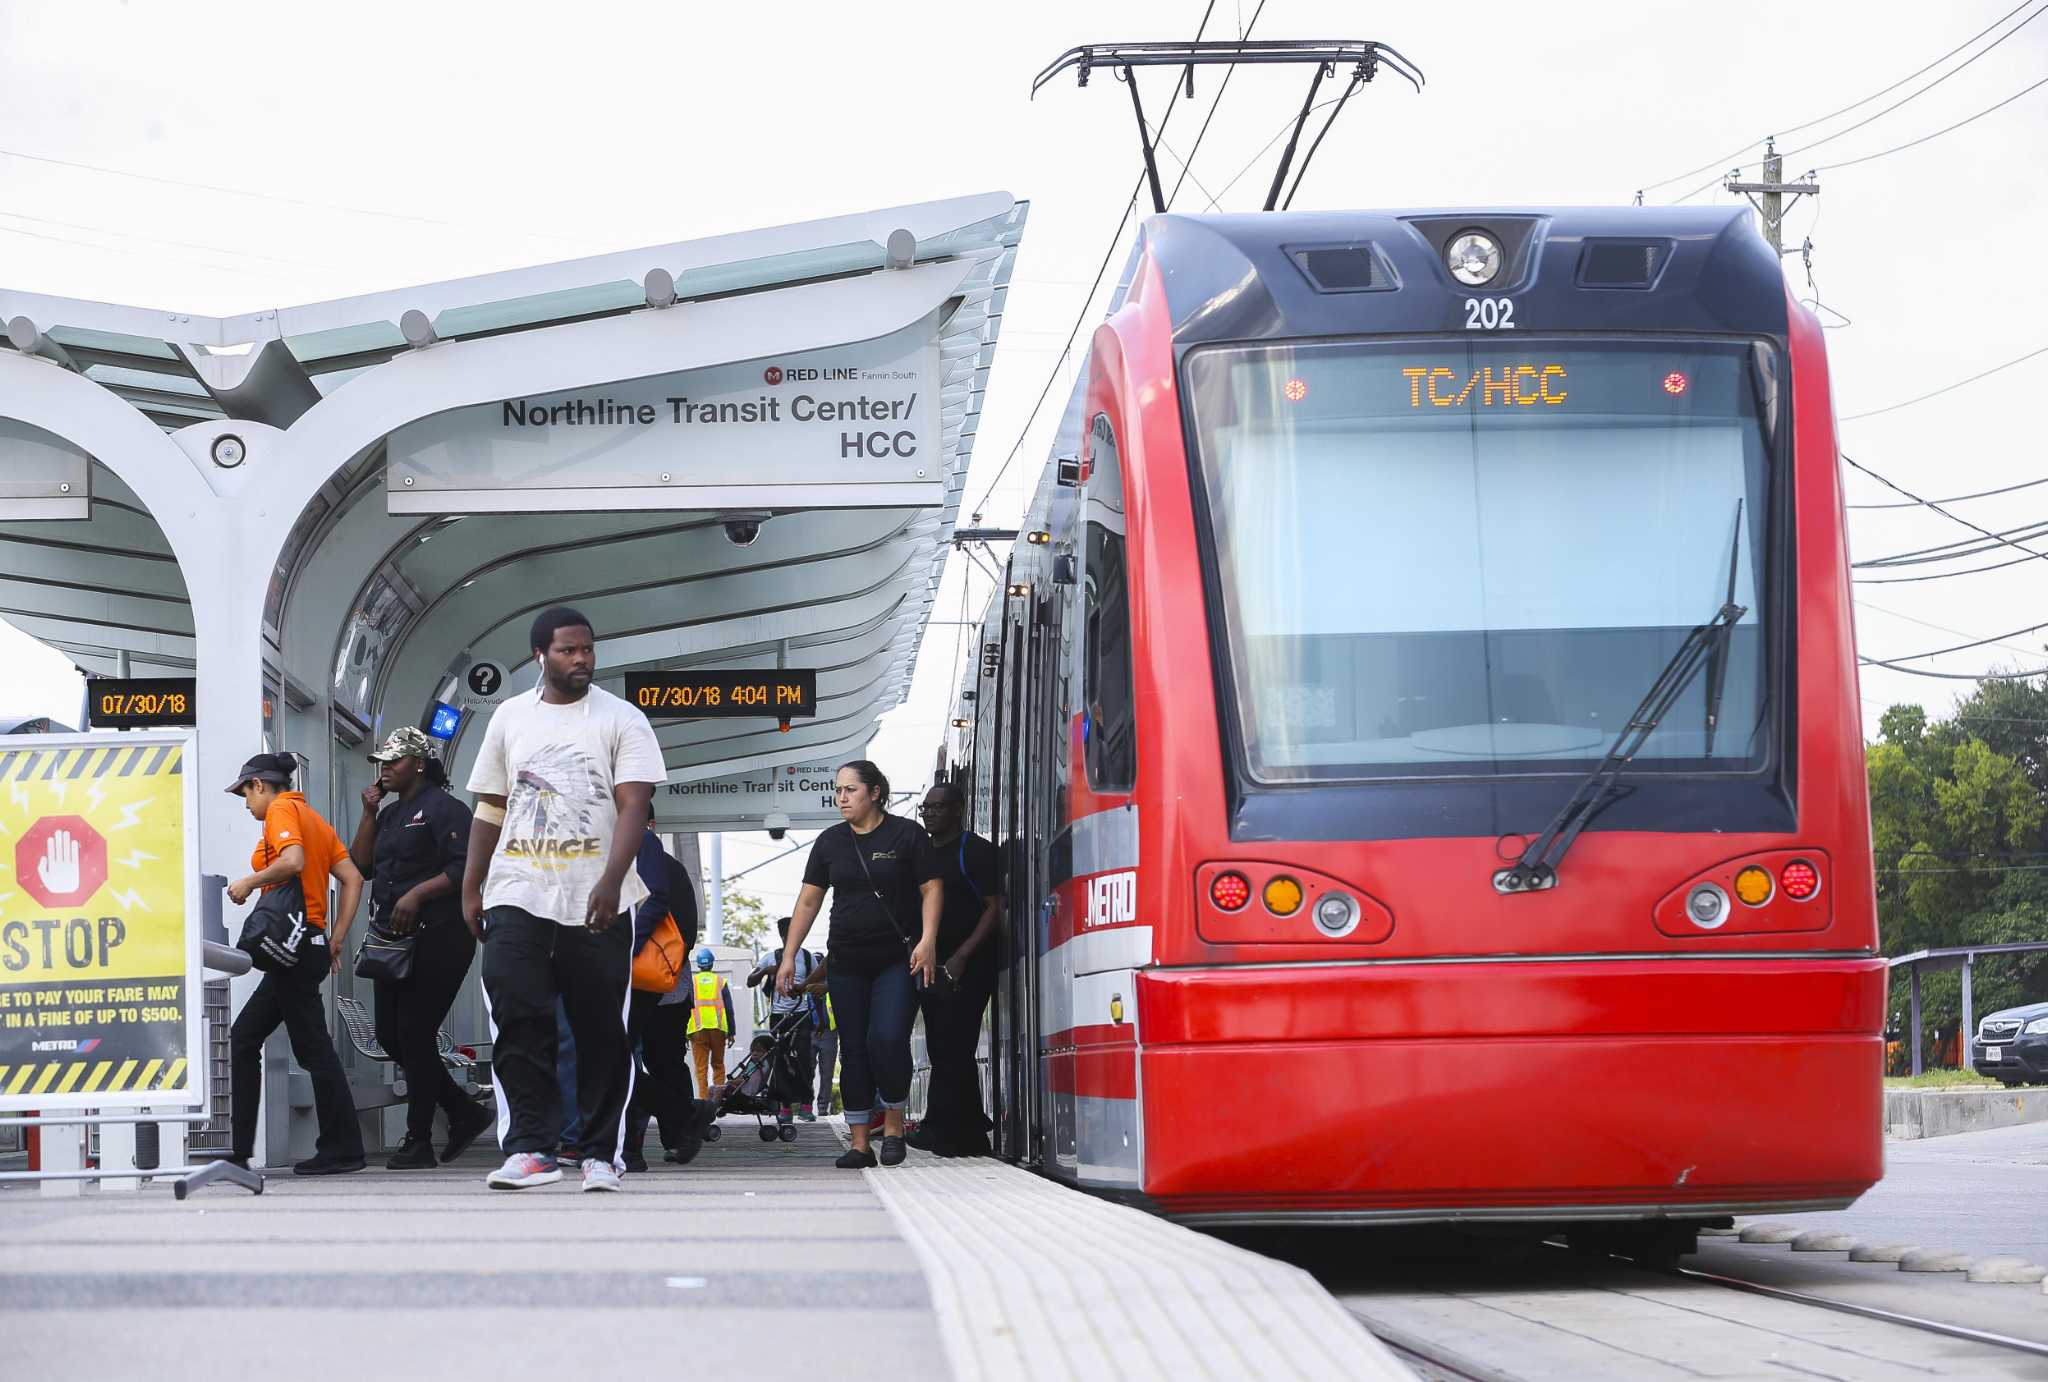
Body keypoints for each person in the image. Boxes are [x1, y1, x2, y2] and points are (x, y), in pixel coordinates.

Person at [462, 606, 667, 1192]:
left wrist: (610, 879)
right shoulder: (509, 718)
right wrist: (473, 885)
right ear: (539, 657)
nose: (581, 659)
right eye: (568, 650)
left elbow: (633, 804)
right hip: (517, 891)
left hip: (595, 899)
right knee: (519, 1020)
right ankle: (531, 1148)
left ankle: (601, 1152)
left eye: (587, 649)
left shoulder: (621, 719)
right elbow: (492, 806)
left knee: (600, 1029)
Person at [779, 760, 941, 1168]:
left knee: (886, 1039)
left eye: (850, 790)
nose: (841, 798)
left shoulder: (907, 835)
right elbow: (809, 901)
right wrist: (788, 957)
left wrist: (928, 941)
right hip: (847, 961)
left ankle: (892, 1126)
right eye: (838, 790)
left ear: (875, 792)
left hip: (896, 960)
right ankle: (859, 1143)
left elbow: (931, 888)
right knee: (853, 1050)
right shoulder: (830, 842)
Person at [346, 726, 494, 1169]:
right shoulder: (390, 814)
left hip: (441, 937)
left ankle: (418, 1140)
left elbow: (466, 866)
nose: (384, 769)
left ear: (419, 765)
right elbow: (361, 864)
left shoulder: (445, 810)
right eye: (382, 763)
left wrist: (417, 894)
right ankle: (463, 1110)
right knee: (392, 1035)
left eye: (393, 761)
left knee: (415, 1033)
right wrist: (369, 813)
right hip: (394, 941)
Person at [225, 752, 368, 1175]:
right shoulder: (315, 819)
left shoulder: (282, 810)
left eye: (245, 794)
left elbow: (293, 863)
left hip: (293, 948)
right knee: (245, 1037)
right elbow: (353, 878)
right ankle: (238, 1151)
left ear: (260, 786)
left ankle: (343, 1149)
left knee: (313, 1049)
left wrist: (248, 883)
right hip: (308, 945)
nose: (246, 804)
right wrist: (336, 936)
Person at [910, 782, 1002, 1157]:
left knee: (955, 1043)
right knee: (942, 1046)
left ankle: (948, 1131)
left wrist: (963, 955)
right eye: (925, 808)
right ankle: (966, 1129)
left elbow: (994, 908)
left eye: (938, 807)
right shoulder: (921, 854)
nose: (930, 813)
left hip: (969, 965)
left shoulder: (976, 851)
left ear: (959, 809)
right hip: (932, 964)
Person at [622, 824, 715, 1170]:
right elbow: (688, 930)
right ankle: (677, 1132)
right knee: (661, 1063)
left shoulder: (649, 860)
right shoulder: (672, 867)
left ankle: (641, 1144)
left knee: (625, 1060)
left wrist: (632, 949)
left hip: (648, 980)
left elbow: (682, 927)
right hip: (669, 983)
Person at [747, 916, 820, 1123]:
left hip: (802, 1014)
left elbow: (816, 987)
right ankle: (785, 1107)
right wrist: (767, 971)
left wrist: (820, 1018)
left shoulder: (807, 958)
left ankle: (806, 1105)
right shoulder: (772, 957)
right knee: (780, 1061)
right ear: (781, 935)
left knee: (804, 1060)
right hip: (779, 1017)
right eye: (789, 932)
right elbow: (750, 981)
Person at [686, 947, 736, 1094]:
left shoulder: (692, 982)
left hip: (697, 1029)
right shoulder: (720, 982)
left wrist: (683, 1033)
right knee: (718, 1064)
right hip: (718, 1029)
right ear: (712, 964)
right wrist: (731, 1032)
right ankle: (718, 1100)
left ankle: (703, 1099)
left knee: (701, 1068)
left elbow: (683, 1007)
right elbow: (729, 1009)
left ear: (699, 965)